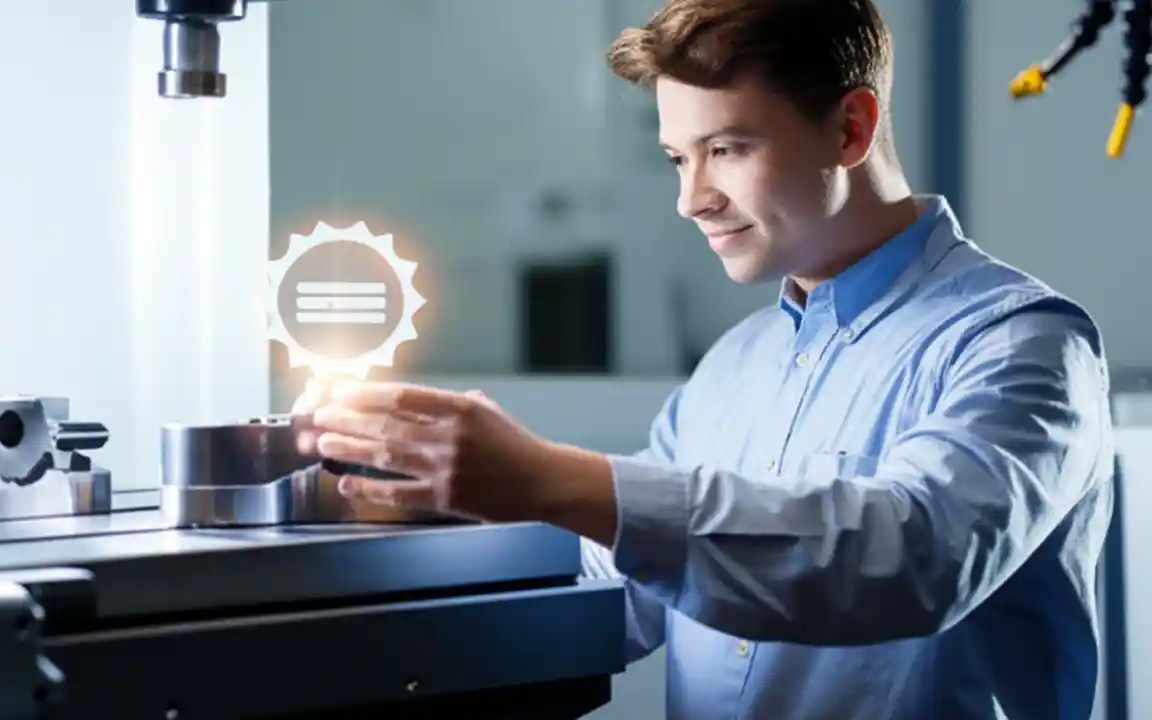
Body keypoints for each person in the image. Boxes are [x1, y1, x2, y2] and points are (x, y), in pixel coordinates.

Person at [291, 0, 1115, 717]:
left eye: (727, 149)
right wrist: (422, 504)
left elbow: (910, 560)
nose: (692, 199)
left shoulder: (1024, 343)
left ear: (851, 128)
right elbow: (621, 594)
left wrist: (547, 476)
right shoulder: (735, 367)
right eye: (679, 159)